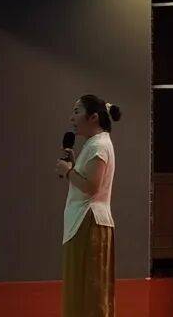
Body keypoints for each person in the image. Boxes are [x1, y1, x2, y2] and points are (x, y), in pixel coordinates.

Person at [54, 95, 121, 317]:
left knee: (90, 291)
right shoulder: (94, 144)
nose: (71, 118)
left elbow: (91, 187)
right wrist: (73, 168)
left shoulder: (98, 145)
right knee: (81, 289)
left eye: (77, 112)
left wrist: (68, 172)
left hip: (89, 222)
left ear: (93, 117)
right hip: (83, 221)